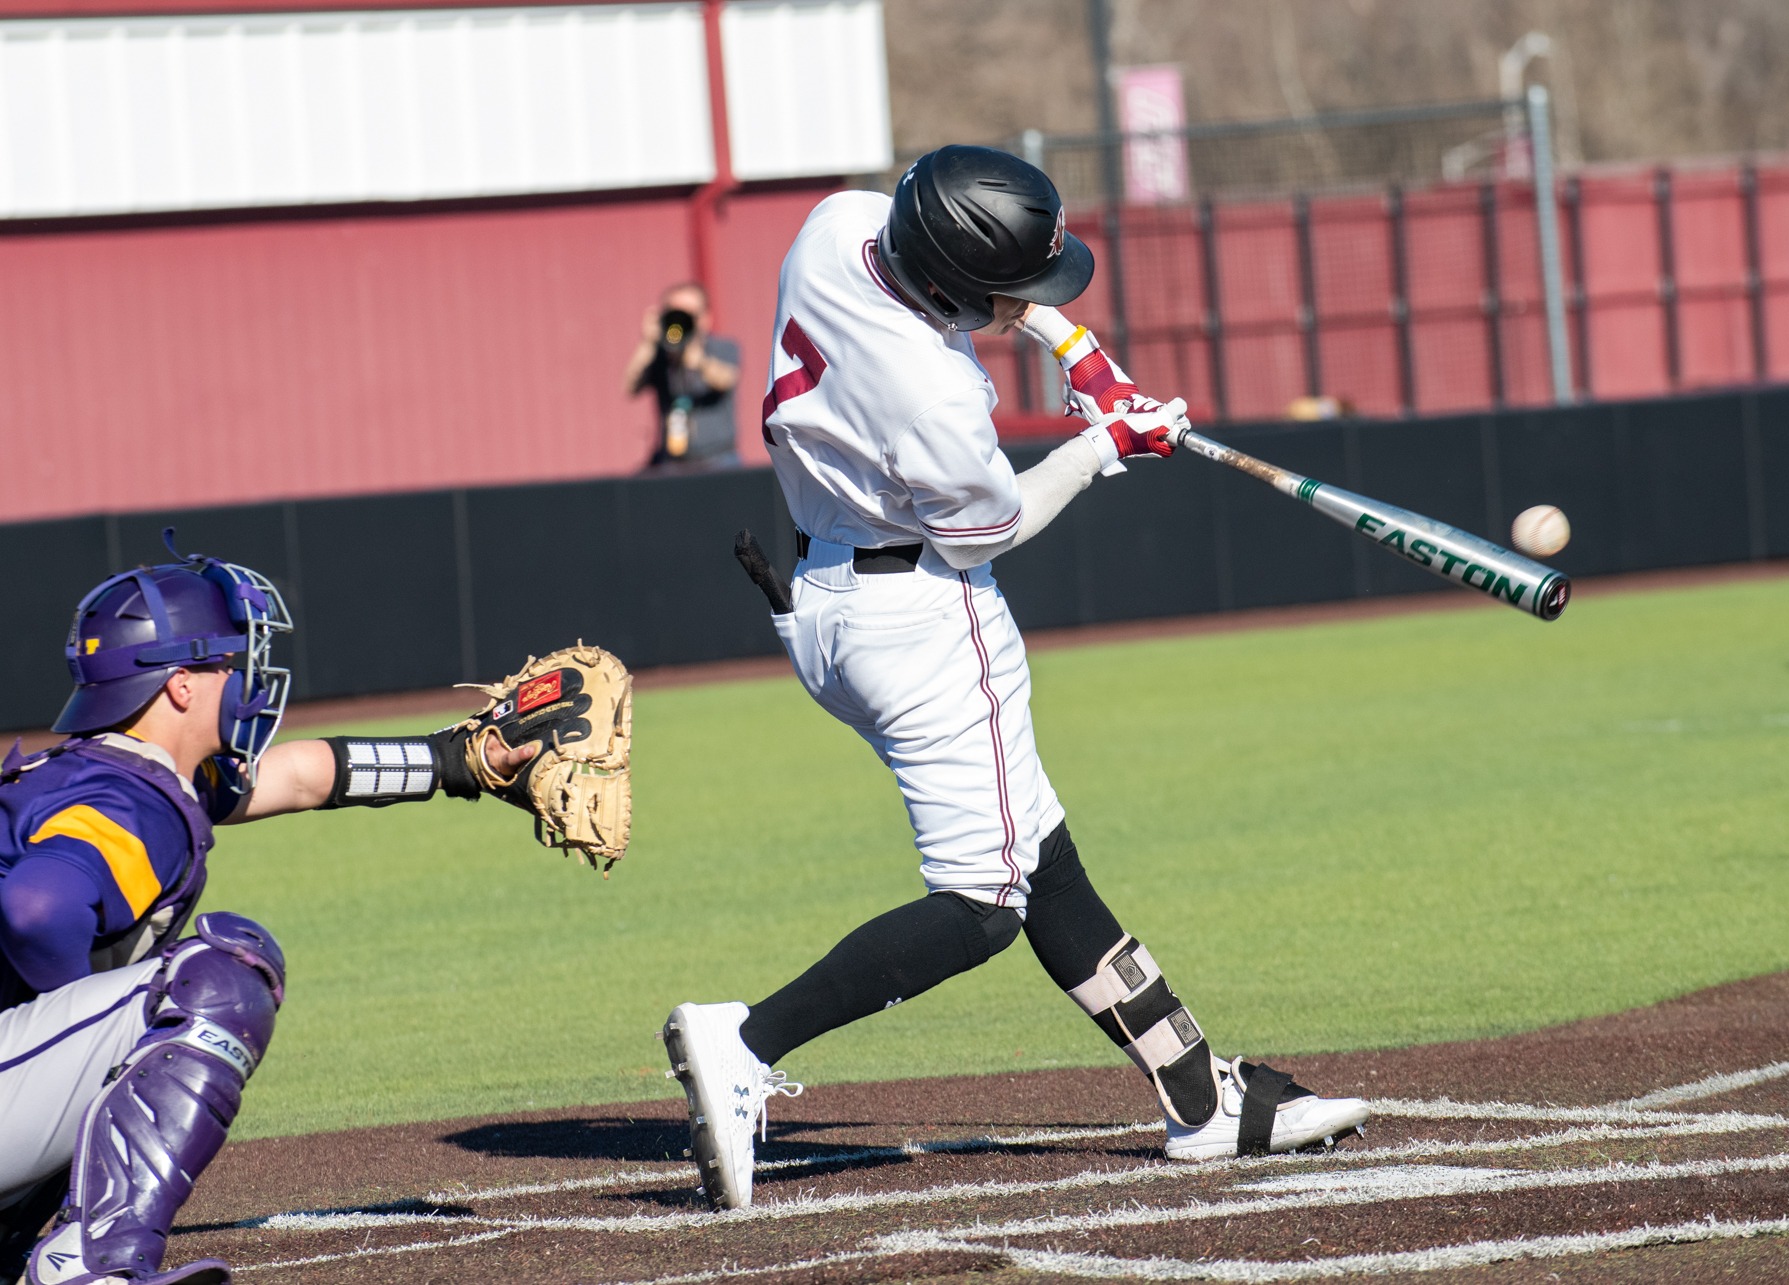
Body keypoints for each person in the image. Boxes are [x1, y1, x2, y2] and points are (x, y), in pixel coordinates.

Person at [662, 145, 1370, 1212]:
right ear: (946, 277)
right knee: (984, 905)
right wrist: (1106, 440)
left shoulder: (837, 225)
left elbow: (983, 301)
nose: (1023, 301)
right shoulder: (934, 398)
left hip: (825, 601)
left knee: (1039, 855)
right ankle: (744, 1040)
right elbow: (998, 524)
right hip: (923, 622)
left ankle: (1195, 1096)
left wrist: (1077, 352)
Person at [0, 540, 546, 1284]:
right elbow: (36, 907)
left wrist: (458, 760)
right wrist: (75, 1022)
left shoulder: (109, 773)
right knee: (215, 979)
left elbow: (296, 777)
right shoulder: (128, 802)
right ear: (181, 687)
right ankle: (86, 1264)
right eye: (228, 662)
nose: (246, 679)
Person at [624, 281, 742, 471]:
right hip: (672, 463)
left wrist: (698, 360)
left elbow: (726, 379)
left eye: (689, 315)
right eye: (675, 313)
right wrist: (646, 343)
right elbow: (630, 387)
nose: (681, 321)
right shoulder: (659, 355)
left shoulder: (721, 348)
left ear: (706, 317)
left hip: (718, 461)